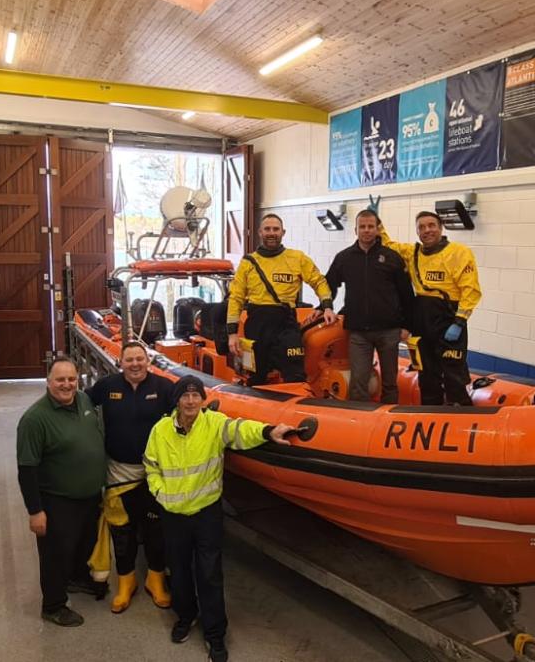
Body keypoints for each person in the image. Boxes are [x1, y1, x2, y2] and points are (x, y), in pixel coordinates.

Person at [144, 375, 296, 662]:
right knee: (179, 571)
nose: (190, 401)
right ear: (177, 399)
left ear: (202, 400)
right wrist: (161, 494)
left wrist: (268, 431)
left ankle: (215, 633)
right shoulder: (160, 430)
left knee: (210, 574)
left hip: (206, 513)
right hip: (174, 514)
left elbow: (240, 431)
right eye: (185, 396)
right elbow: (151, 465)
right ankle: (185, 617)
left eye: (195, 396)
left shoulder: (214, 424)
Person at [16, 356, 108, 627]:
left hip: (90, 495)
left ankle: (78, 578)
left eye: (71, 378)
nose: (66, 384)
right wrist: (35, 511)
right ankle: (53, 605)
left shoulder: (84, 400)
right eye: (60, 379)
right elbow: (27, 469)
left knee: (83, 544)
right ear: (48, 381)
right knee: (55, 554)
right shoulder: (34, 419)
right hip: (58, 499)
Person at [88, 341, 175, 614]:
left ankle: (155, 579)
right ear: (120, 362)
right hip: (119, 471)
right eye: (129, 360)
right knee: (121, 531)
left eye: (140, 359)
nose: (135, 364)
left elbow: (185, 413)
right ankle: (126, 581)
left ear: (147, 361)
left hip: (154, 472)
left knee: (156, 528)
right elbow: (80, 404)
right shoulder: (107, 386)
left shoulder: (164, 388)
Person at [381, 211, 482, 405]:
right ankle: (430, 413)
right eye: (422, 227)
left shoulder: (459, 253)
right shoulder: (413, 253)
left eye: (431, 225)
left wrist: (460, 322)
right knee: (426, 375)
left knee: (454, 376)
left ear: (440, 227)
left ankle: (460, 415)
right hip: (422, 319)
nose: (427, 230)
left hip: (449, 319)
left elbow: (471, 290)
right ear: (417, 231)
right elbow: (388, 245)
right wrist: (378, 223)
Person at [226, 213, 336, 385]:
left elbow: (318, 281)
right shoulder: (248, 263)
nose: (272, 233)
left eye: (275, 229)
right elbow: (236, 298)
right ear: (260, 232)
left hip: (286, 325)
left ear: (283, 232)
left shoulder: (297, 258)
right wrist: (232, 333)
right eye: (267, 229)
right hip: (257, 327)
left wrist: (327, 306)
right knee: (256, 378)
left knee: (296, 374)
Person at [325, 209, 413, 403]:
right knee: (358, 382)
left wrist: (407, 326)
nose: (366, 230)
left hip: (389, 331)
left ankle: (390, 418)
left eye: (370, 226)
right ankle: (360, 423)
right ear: (355, 230)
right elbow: (329, 284)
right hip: (359, 333)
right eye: (362, 227)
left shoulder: (392, 258)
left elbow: (407, 294)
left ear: (377, 229)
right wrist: (325, 306)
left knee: (390, 382)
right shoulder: (344, 258)